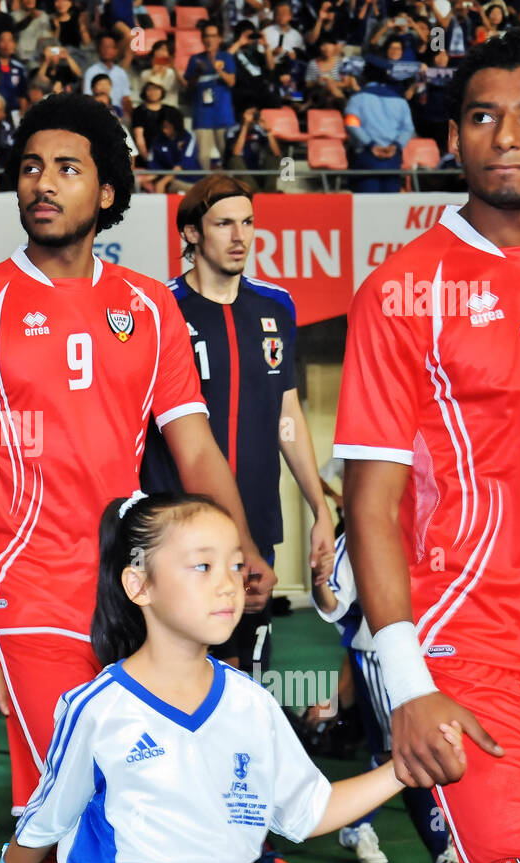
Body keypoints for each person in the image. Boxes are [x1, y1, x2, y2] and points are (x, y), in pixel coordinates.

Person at [0, 92, 277, 817]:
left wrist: (241, 547)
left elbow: (196, 449)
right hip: (22, 595)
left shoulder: (148, 306)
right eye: (29, 167)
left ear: (106, 190)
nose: (42, 183)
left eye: (66, 168)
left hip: (132, 594)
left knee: (124, 809)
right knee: (70, 801)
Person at [335, 26, 520, 863]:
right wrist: (408, 681)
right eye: (481, 117)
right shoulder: (403, 290)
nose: (504, 138)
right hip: (468, 657)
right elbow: (371, 504)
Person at [3, 493, 451, 863]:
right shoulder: (99, 709)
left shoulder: (252, 703)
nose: (229, 585)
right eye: (203, 566)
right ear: (139, 585)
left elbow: (309, 810)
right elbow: (40, 831)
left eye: (236, 566)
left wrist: (406, 766)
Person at [142, 176, 335, 675]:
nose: (239, 236)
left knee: (248, 678)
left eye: (247, 223)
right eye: (223, 223)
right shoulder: (157, 310)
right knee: (177, 676)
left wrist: (320, 507)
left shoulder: (276, 307)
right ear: (190, 233)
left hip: (257, 531)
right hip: (178, 532)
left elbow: (286, 415)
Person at [312, 531, 458, 863]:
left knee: (426, 746)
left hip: (444, 652)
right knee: (409, 750)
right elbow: (333, 601)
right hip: (381, 654)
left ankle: (356, 822)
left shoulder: (447, 510)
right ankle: (441, 849)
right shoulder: (363, 524)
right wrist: (319, 579)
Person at [344, 61, 415, 192]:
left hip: (366, 157)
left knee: (367, 207)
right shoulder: (400, 101)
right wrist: (395, 146)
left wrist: (371, 145)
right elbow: (408, 129)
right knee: (390, 206)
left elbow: (351, 123)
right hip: (392, 158)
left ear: (365, 78)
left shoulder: (358, 98)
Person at [185, 23, 236, 168]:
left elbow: (231, 82)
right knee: (202, 157)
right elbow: (189, 86)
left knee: (227, 156)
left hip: (223, 115)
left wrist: (217, 68)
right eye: (206, 36)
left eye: (213, 36)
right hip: (202, 115)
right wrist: (199, 72)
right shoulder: (195, 59)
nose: (209, 39)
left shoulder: (226, 57)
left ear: (219, 38)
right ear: (202, 38)